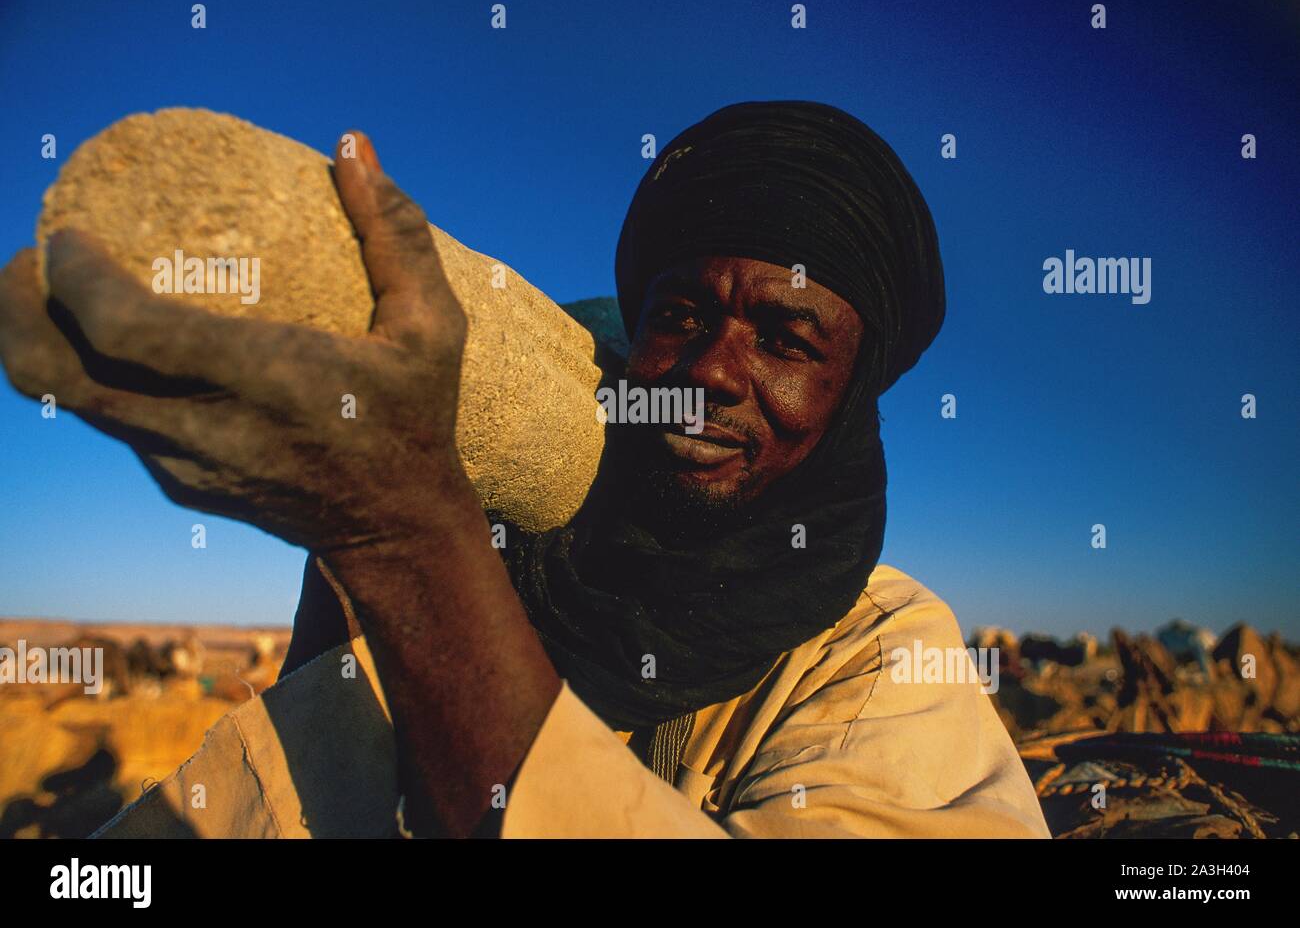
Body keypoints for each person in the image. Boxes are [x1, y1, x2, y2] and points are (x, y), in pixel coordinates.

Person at [0, 100, 1050, 838]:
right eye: (678, 316)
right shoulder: (511, 547)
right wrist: (358, 547)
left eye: (786, 339)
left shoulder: (875, 652)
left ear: (853, 391)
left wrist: (409, 542)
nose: (709, 373)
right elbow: (298, 777)